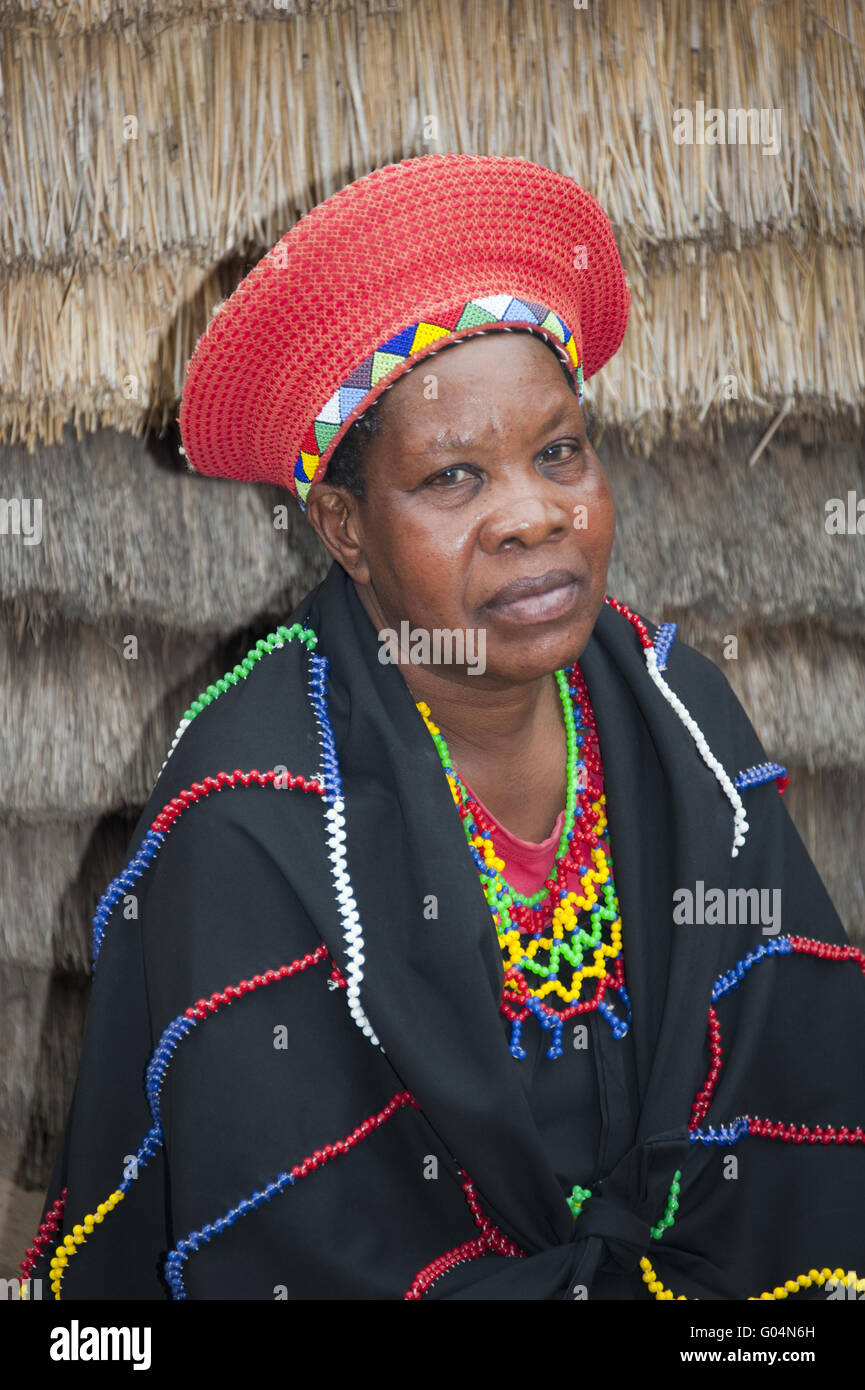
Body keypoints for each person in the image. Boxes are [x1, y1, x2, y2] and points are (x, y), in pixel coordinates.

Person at [21, 154, 865, 1302]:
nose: (532, 515)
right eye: (453, 477)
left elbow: (798, 1098)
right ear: (344, 529)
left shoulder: (677, 714)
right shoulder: (256, 813)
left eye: (558, 452)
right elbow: (305, 1247)